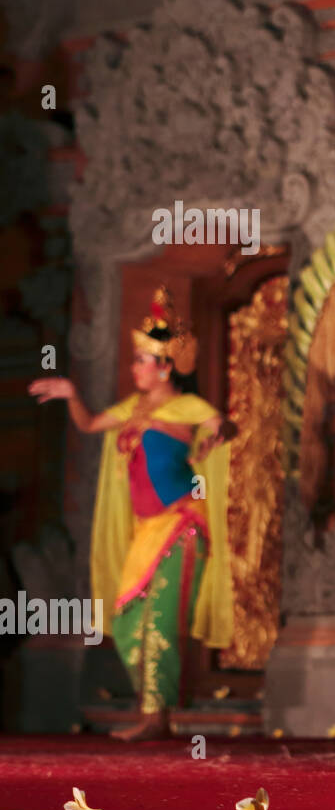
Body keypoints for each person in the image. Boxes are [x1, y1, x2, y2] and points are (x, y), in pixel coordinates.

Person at [29, 287, 235, 741]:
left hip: (181, 525)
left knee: (161, 619)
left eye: (142, 359)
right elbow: (89, 425)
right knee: (125, 620)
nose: (134, 367)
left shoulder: (190, 408)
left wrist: (218, 433)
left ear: (165, 366)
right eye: (136, 359)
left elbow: (219, 425)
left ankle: (157, 716)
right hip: (146, 530)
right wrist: (71, 394)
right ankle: (151, 710)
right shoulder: (132, 408)